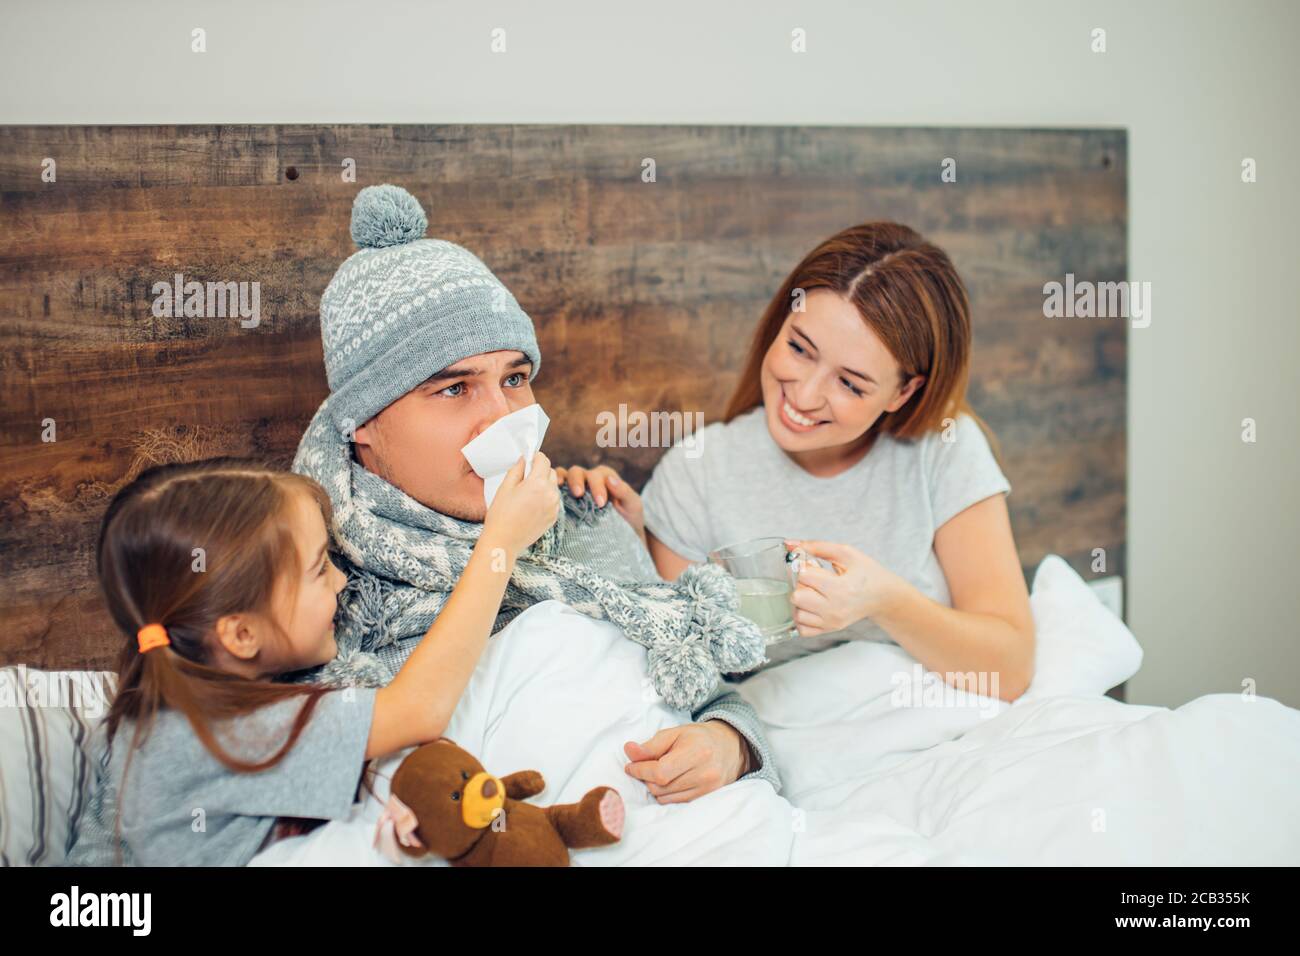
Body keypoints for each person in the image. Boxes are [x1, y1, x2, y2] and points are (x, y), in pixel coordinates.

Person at [288, 184, 781, 805]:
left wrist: (728, 745)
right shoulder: (313, 577)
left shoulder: (583, 524)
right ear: (363, 424)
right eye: (453, 389)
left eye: (515, 379)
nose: (502, 418)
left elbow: (711, 694)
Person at [558, 222, 1035, 701]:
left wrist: (885, 600)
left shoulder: (943, 448)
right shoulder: (700, 472)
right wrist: (620, 541)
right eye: (799, 349)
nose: (805, 396)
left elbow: (1010, 668)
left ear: (904, 390)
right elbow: (682, 667)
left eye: (850, 383)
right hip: (793, 739)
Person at [68, 454, 562, 865]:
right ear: (241, 634)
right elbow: (418, 710)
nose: (342, 583)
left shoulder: (172, 712)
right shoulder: (221, 734)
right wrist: (500, 545)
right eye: (320, 567)